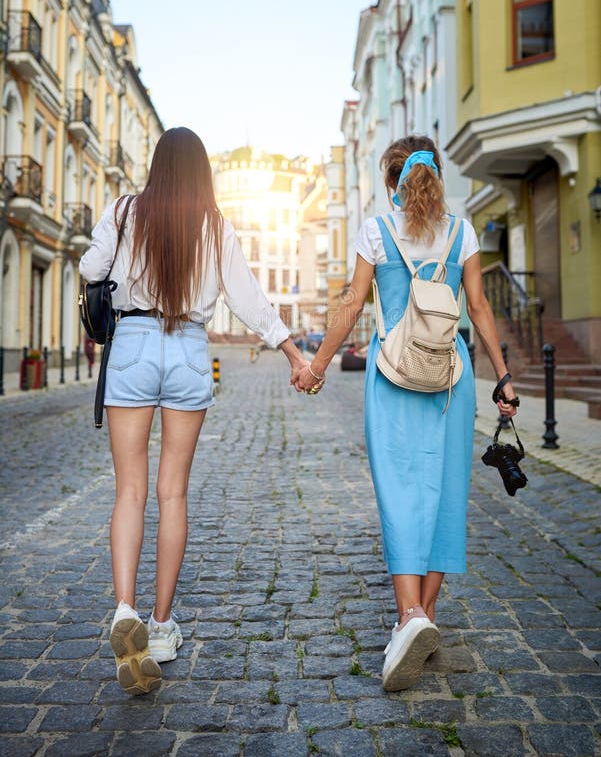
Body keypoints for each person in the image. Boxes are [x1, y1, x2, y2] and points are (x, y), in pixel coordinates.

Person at [79, 127, 307, 695]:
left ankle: (123, 609)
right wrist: (292, 350)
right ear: (203, 173)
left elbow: (90, 269)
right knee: (172, 492)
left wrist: (114, 250)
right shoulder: (215, 225)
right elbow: (248, 296)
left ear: (157, 166)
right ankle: (159, 628)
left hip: (131, 344)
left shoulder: (126, 210)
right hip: (187, 350)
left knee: (128, 490)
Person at [292, 135, 518, 692]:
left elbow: (350, 305)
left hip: (393, 373)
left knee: (399, 490)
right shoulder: (462, 232)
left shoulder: (376, 230)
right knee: (443, 490)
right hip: (451, 376)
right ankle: (426, 616)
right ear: (435, 176)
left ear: (391, 180)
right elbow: (480, 307)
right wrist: (504, 377)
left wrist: (317, 365)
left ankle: (410, 617)